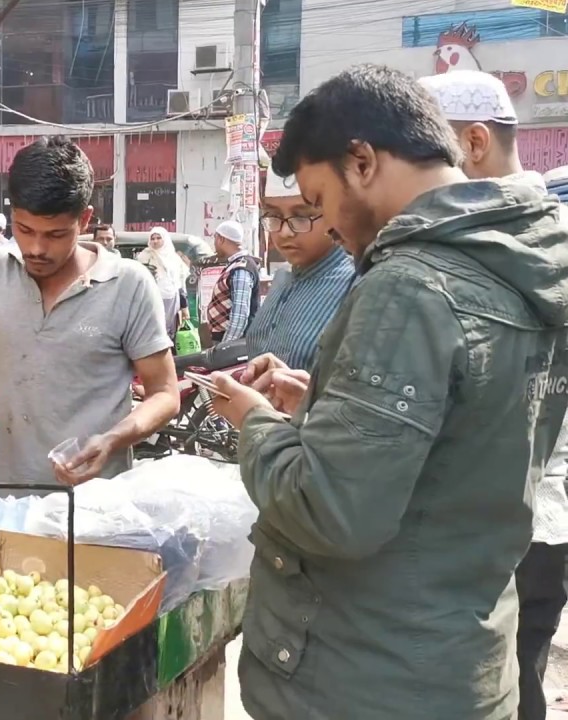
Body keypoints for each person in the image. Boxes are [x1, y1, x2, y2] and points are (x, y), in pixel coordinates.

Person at [210, 64, 568, 720]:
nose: (328, 226)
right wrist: (326, 405)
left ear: (363, 161)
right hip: (466, 656)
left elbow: (330, 510)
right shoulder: (531, 262)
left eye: (319, 201)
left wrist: (256, 421)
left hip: (365, 676)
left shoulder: (409, 285)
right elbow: (464, 436)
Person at [0, 136, 180, 489]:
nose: (36, 248)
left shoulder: (129, 284)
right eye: (24, 229)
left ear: (85, 219)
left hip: (98, 504)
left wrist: (114, 439)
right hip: (9, 500)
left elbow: (164, 394)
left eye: (55, 234)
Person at [422, 68, 568, 720]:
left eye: (421, 160)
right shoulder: (547, 235)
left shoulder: (484, 246)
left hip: (502, 523)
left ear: (474, 143)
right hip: (546, 517)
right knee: (519, 678)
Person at [244, 169, 354, 371]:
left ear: (334, 214)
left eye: (302, 216)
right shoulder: (282, 278)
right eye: (274, 216)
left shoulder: (356, 284)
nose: (284, 232)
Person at [203, 220, 258, 343]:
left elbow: (239, 316)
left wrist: (226, 346)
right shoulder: (235, 265)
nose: (214, 244)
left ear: (221, 239)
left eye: (215, 238)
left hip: (233, 343)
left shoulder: (241, 268)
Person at [136, 227, 189, 337]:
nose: (155, 241)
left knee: (170, 330)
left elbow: (180, 284)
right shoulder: (144, 256)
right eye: (152, 238)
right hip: (150, 299)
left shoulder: (174, 258)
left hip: (171, 299)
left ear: (165, 239)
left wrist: (185, 307)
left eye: (158, 238)